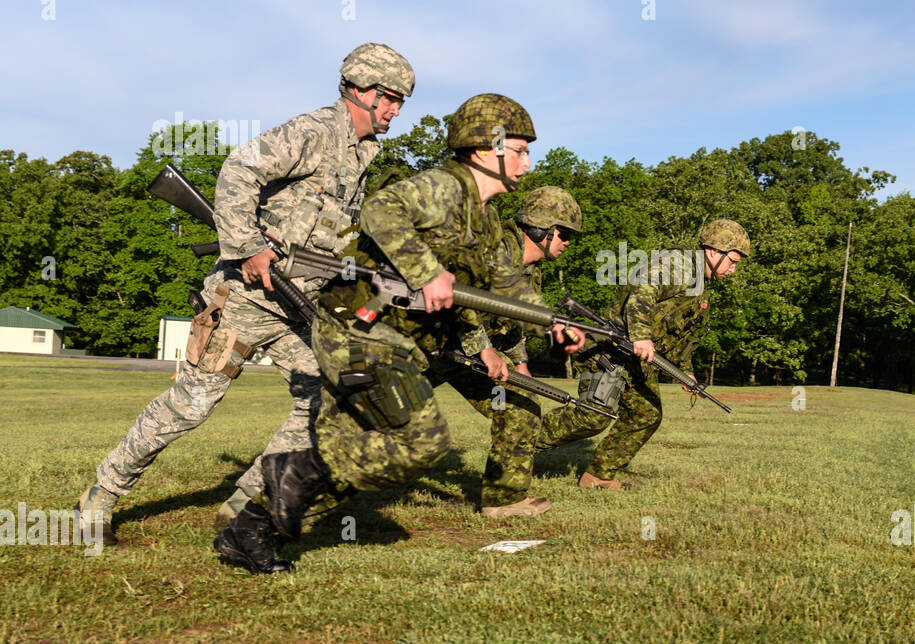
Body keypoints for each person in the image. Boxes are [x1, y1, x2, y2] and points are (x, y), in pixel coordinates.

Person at [213, 94, 583, 573]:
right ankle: (284, 480)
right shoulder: (443, 188)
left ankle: (248, 532)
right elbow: (380, 211)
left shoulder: (486, 222)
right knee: (421, 442)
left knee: (362, 448)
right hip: (360, 328)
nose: (527, 163)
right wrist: (427, 271)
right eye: (518, 150)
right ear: (482, 151)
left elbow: (504, 285)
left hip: (393, 340)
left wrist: (553, 321)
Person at [75, 43, 414, 544]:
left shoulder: (363, 154)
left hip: (297, 309)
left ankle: (244, 503)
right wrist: (250, 247)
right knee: (188, 407)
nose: (395, 109)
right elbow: (239, 168)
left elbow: (331, 234)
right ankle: (101, 495)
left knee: (321, 401)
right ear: (359, 89)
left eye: (401, 100)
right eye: (389, 97)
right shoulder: (315, 132)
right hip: (244, 301)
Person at [532, 220, 750, 489]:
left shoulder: (699, 285)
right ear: (714, 252)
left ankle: (597, 477)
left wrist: (684, 369)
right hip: (612, 351)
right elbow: (642, 290)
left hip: (636, 360)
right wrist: (641, 335)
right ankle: (514, 449)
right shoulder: (678, 266)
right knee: (593, 414)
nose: (734, 269)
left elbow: (681, 334)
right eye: (733, 261)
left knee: (645, 415)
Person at [428, 185, 585, 518]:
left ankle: (504, 499)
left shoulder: (529, 270)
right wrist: (485, 350)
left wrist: (520, 362)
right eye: (564, 232)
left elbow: (511, 322)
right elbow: (459, 301)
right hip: (428, 346)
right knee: (368, 423)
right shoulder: (496, 251)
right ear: (542, 229)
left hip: (458, 354)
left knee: (520, 404)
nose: (569, 241)